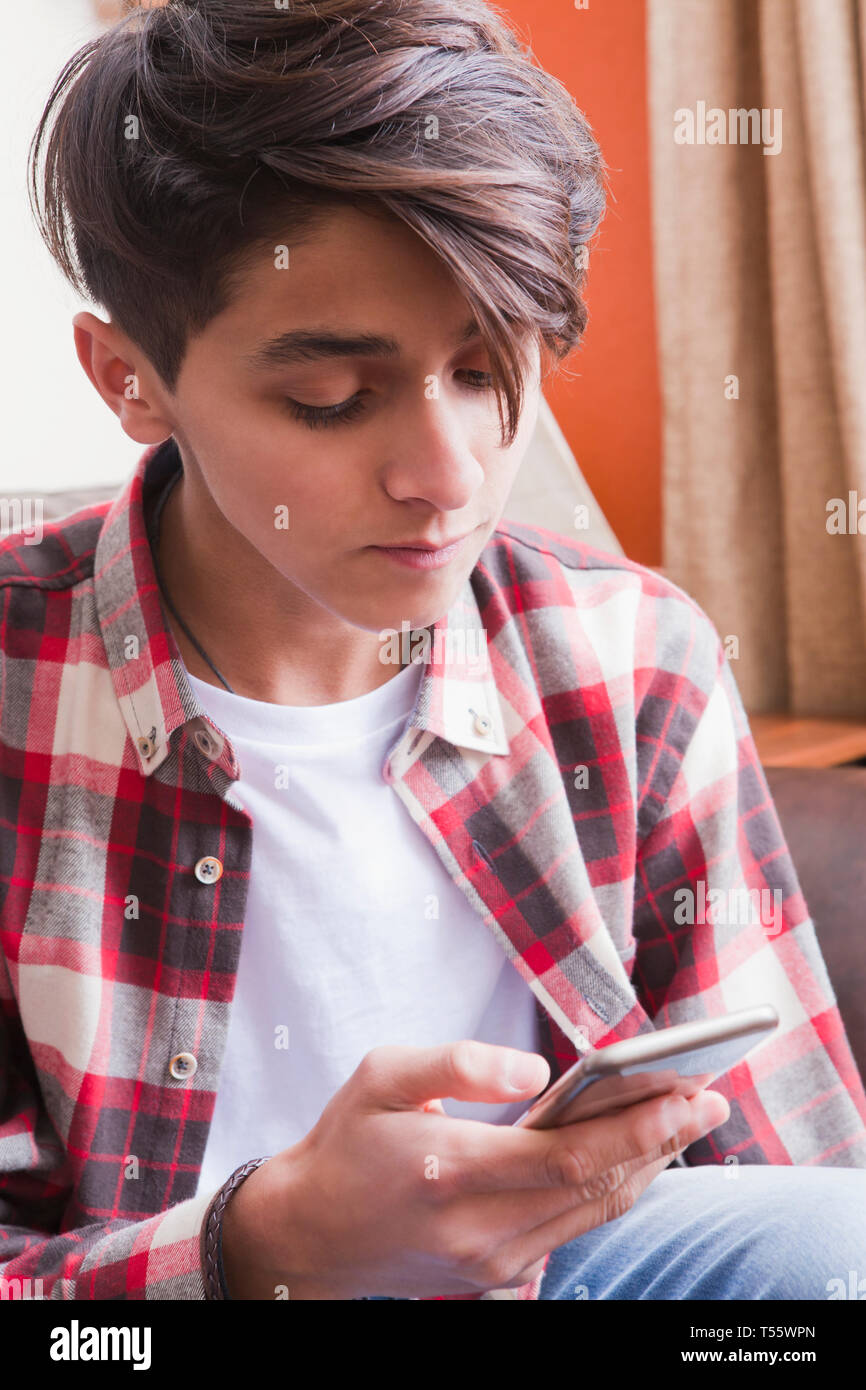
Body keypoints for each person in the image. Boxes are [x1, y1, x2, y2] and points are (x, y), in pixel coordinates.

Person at [1, 0, 864, 1303]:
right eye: (331, 400)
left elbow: (797, 1177)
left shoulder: (631, 656)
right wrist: (259, 1248)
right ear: (129, 379)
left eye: (487, 367)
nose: (447, 477)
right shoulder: (20, 681)